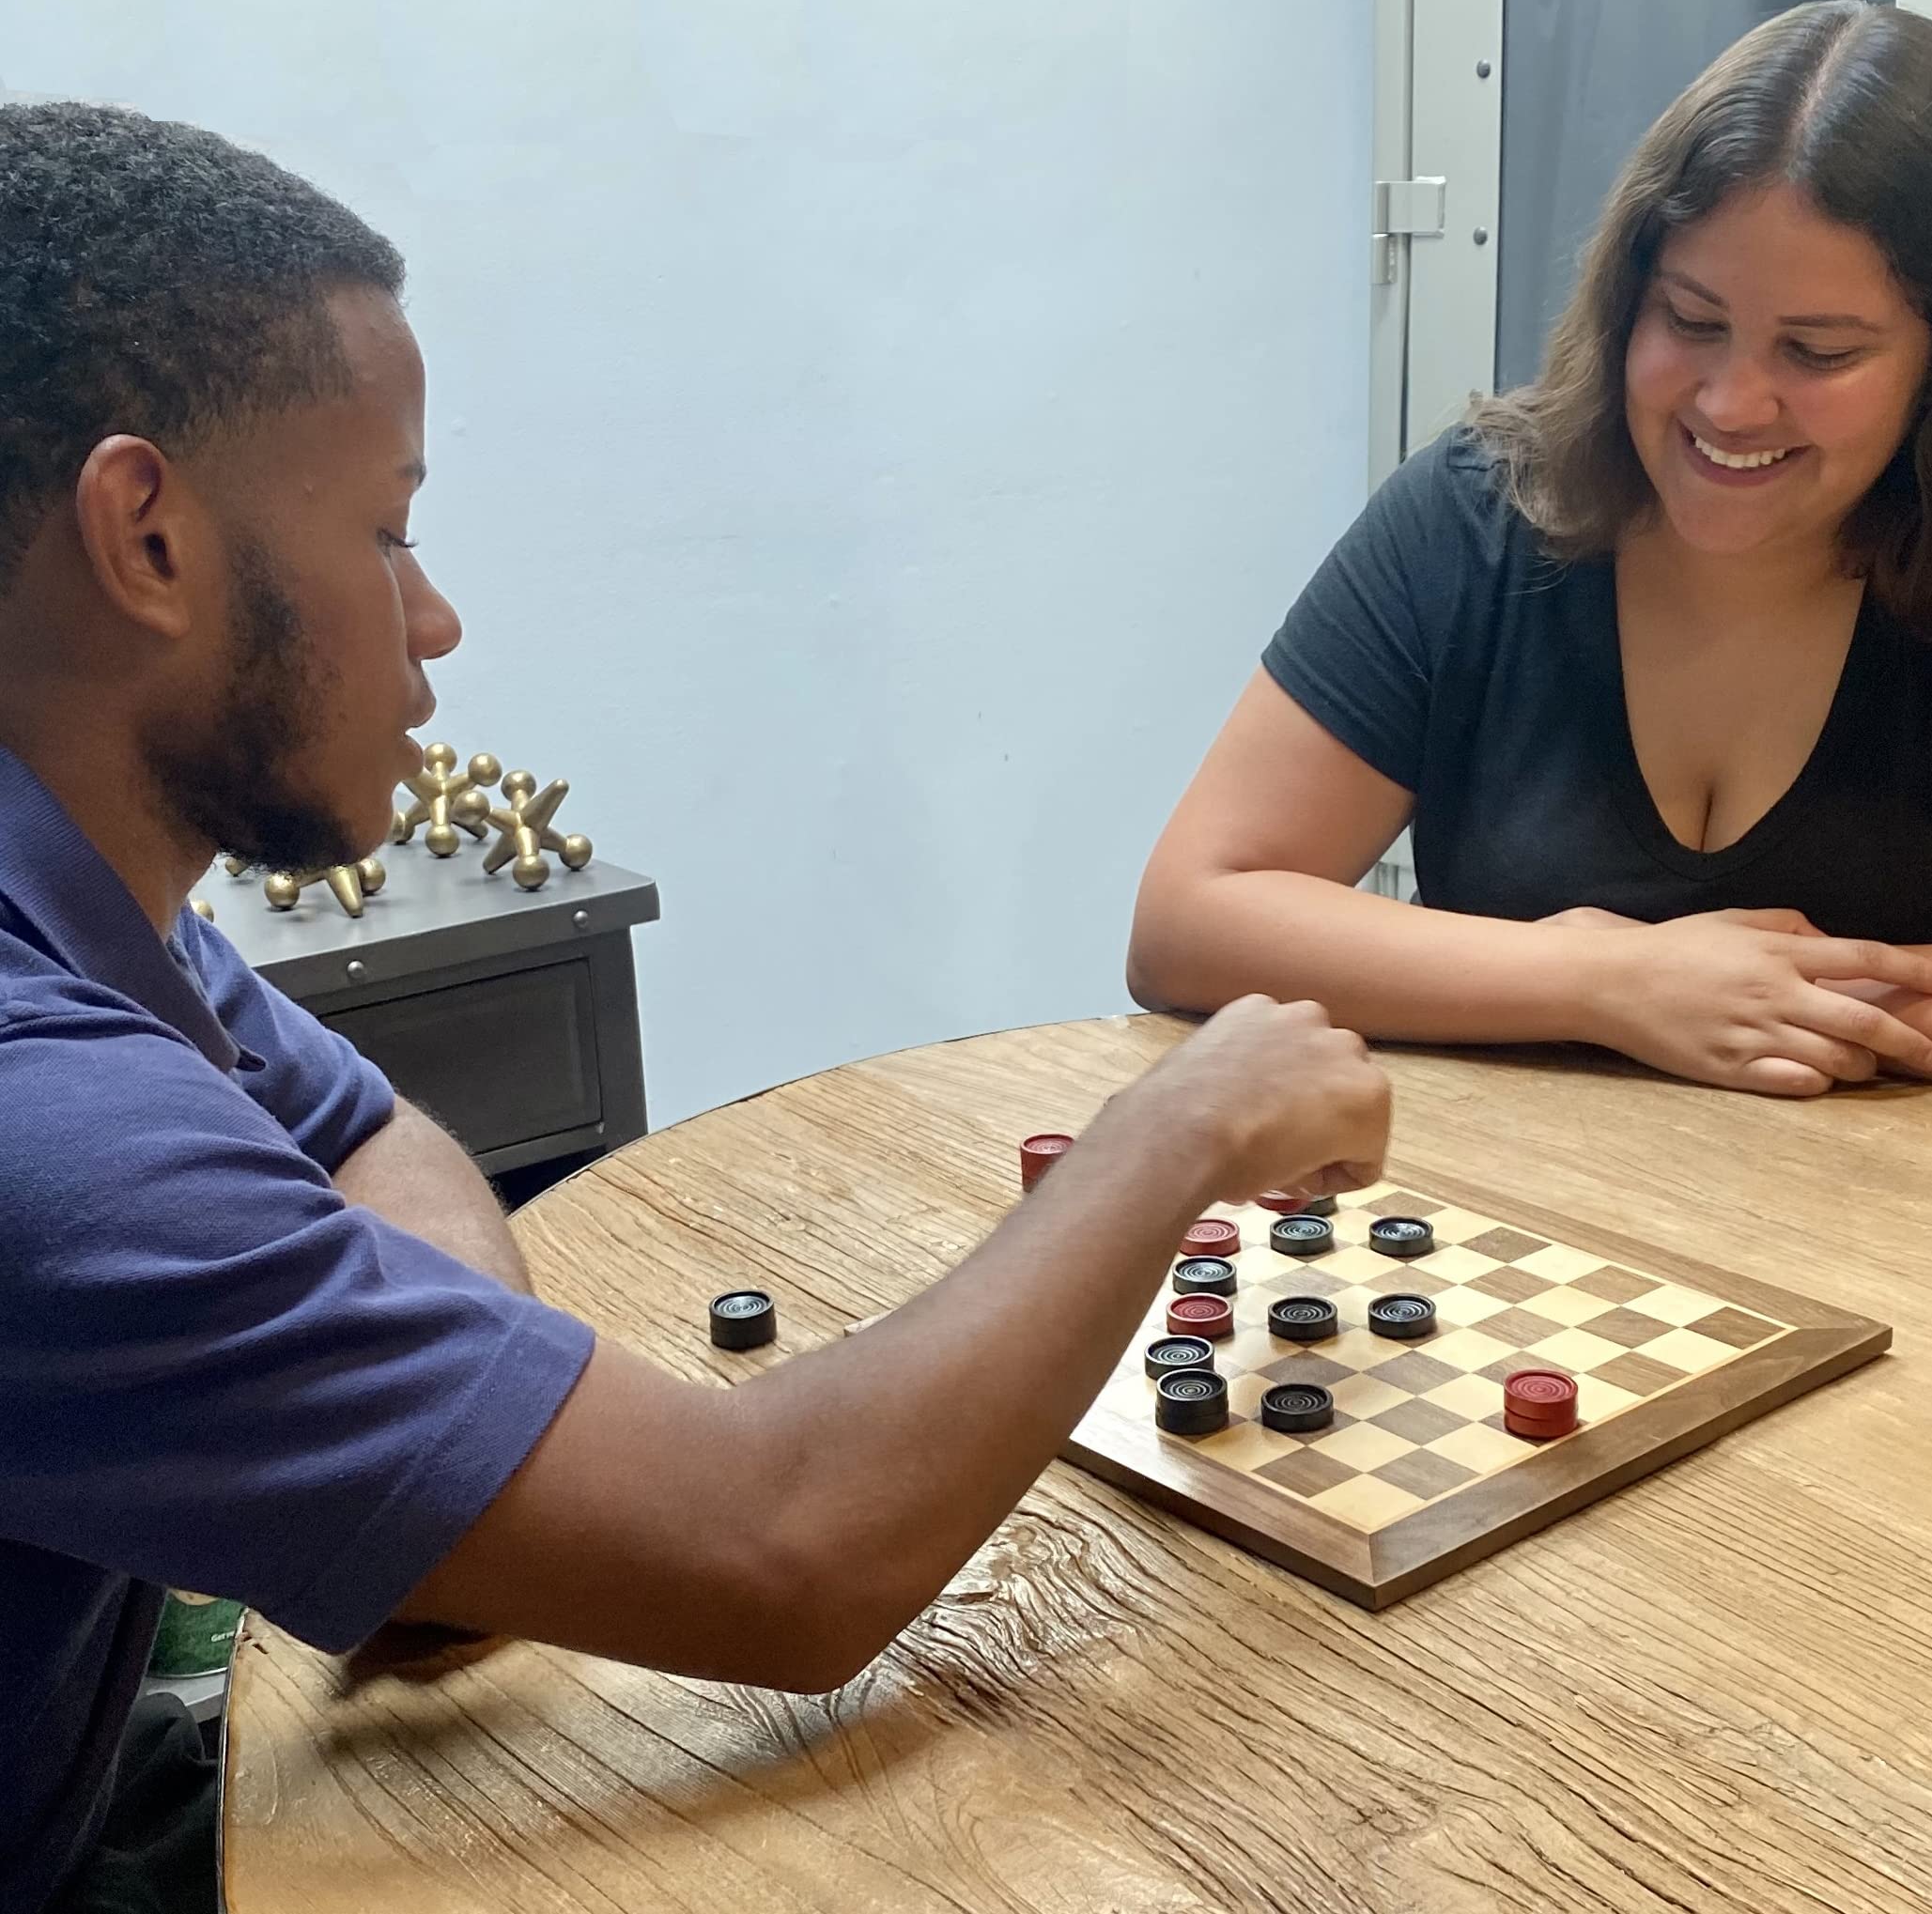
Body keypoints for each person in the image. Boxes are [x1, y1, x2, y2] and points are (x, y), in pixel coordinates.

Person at [0, 103, 1392, 1914]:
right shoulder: (54, 1131)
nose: (437, 621)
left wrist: (443, 1452)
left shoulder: (97, 895)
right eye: (386, 530)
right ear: (149, 537)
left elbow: (365, 1132)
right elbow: (784, 1554)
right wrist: (1182, 1127)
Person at [1130, 0, 1932, 1101]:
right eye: (1690, 320)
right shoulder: (1472, 517)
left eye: (1817, 350)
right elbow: (1187, 919)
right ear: (1623, 301)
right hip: (1488, 1232)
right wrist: (1608, 975)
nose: (1731, 401)